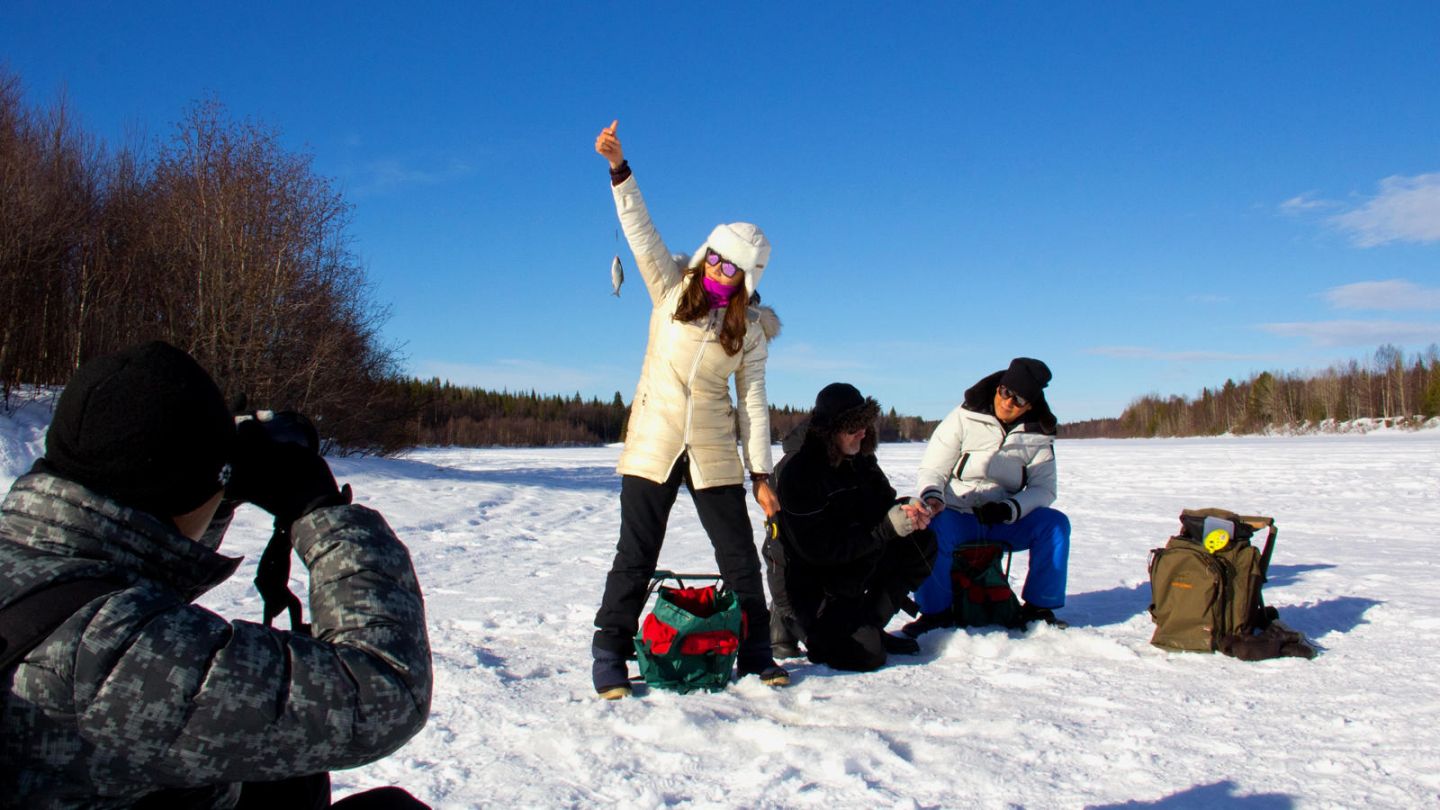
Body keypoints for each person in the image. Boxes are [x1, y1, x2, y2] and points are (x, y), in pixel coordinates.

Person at [0, 341, 432, 809]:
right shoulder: (111, 650)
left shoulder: (34, 560)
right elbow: (386, 690)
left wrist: (216, 486)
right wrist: (321, 511)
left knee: (279, 786)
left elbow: (139, 556)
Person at [590, 120, 787, 699]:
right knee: (637, 551)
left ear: (749, 280)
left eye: (737, 271)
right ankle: (609, 650)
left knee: (738, 554)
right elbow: (641, 233)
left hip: (712, 450)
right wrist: (619, 170)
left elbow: (752, 403)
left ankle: (755, 650)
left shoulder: (748, 332)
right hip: (653, 440)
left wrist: (761, 474)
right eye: (719, 262)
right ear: (707, 256)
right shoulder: (668, 288)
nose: (723, 275)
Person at [765, 383, 938, 672]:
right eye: (854, 427)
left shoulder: (861, 458)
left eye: (866, 425)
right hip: (807, 582)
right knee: (864, 656)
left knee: (921, 544)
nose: (863, 433)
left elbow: (884, 503)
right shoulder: (797, 472)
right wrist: (886, 528)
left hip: (851, 566)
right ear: (829, 430)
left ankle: (866, 624)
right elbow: (818, 550)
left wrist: (909, 510)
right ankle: (788, 618)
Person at [909, 357, 1072, 633]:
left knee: (1054, 525)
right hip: (957, 513)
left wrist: (1011, 509)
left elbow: (1044, 488)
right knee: (930, 528)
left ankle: (1038, 608)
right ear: (999, 386)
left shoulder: (1038, 433)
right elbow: (933, 468)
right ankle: (936, 615)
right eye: (1005, 391)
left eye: (1018, 400)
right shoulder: (964, 416)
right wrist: (934, 496)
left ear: (1030, 405)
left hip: (1003, 520)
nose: (1007, 402)